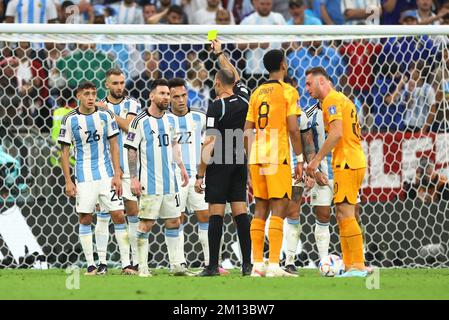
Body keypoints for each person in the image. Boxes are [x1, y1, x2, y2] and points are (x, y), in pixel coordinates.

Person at [58, 81, 135, 276]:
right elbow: (64, 152)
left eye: (93, 93)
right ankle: (92, 265)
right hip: (84, 176)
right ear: (78, 96)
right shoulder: (69, 119)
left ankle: (126, 264)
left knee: (118, 215)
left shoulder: (105, 115)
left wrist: (117, 174)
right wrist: (68, 181)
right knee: (85, 218)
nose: (91, 97)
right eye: (87, 94)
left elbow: (115, 146)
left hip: (106, 175)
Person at [194, 39, 252, 277]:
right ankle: (247, 265)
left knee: (215, 213)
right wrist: (220, 54)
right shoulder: (245, 97)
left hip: (220, 161)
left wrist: (200, 174)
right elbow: (235, 76)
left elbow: (210, 142)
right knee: (240, 212)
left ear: (217, 83)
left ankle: (211, 266)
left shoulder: (216, 107)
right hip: (239, 158)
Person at [244, 49, 304, 278]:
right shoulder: (288, 91)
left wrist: (250, 160)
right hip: (277, 155)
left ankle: (257, 264)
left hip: (257, 156)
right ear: (283, 65)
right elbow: (293, 128)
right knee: (280, 208)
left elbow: (246, 131)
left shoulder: (256, 93)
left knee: (260, 209)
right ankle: (274, 265)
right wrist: (299, 159)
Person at [305, 67, 369, 277]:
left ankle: (358, 265)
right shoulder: (342, 99)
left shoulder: (331, 100)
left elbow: (336, 133)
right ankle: (351, 265)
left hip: (347, 162)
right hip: (353, 159)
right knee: (343, 214)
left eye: (309, 84)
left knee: (345, 213)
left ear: (321, 81)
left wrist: (315, 161)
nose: (307, 89)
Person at [124, 79, 189, 277]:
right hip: (149, 183)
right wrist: (134, 178)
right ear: (151, 96)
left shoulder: (171, 120)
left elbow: (175, 145)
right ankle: (142, 267)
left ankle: (176, 265)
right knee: (146, 224)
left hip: (170, 181)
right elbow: (131, 150)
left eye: (168, 94)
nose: (166, 98)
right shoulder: (140, 121)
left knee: (174, 222)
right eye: (162, 93)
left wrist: (182, 166)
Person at [92, 69, 142, 275]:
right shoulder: (95, 108)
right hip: (105, 169)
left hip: (130, 167)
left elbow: (129, 127)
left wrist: (108, 112)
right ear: (107, 85)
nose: (120, 87)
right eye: (115, 83)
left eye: (122, 82)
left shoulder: (132, 104)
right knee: (105, 214)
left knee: (131, 212)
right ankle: (102, 262)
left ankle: (134, 262)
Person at [166, 78, 211, 271]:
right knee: (177, 218)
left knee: (206, 216)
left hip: (197, 176)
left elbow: (210, 142)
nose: (181, 100)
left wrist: (204, 171)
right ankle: (177, 263)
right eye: (176, 97)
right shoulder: (164, 120)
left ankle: (211, 263)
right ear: (169, 99)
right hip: (174, 177)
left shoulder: (200, 117)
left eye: (183, 95)